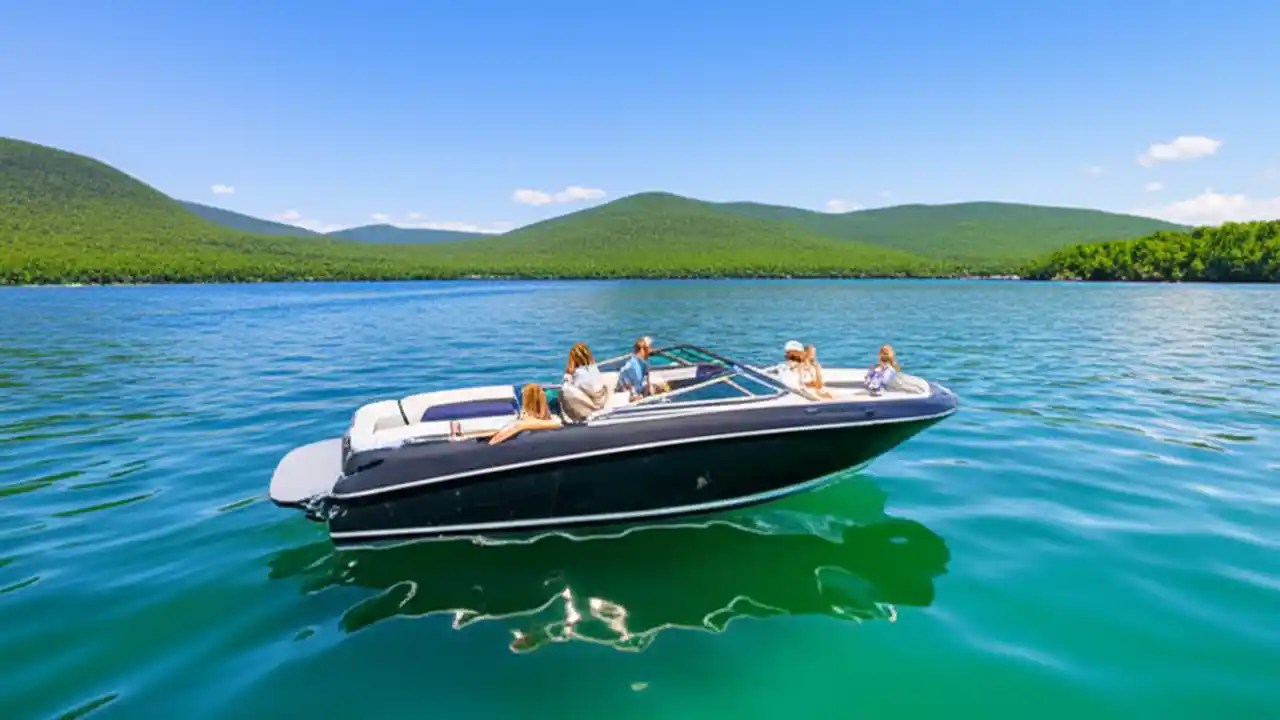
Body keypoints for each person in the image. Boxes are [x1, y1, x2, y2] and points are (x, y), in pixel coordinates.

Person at [489, 383, 562, 445]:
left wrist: (521, 426)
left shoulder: (519, 423)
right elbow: (557, 422)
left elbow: (494, 441)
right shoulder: (554, 420)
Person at [561, 342, 609, 421]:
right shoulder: (594, 368)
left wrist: (568, 374)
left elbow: (571, 390)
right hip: (599, 400)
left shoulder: (580, 373)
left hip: (592, 405)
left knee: (564, 390)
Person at [616, 336, 656, 401]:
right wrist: (635, 395)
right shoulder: (631, 365)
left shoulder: (643, 364)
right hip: (632, 398)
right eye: (650, 348)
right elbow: (626, 380)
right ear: (645, 349)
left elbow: (644, 383)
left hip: (640, 394)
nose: (651, 350)